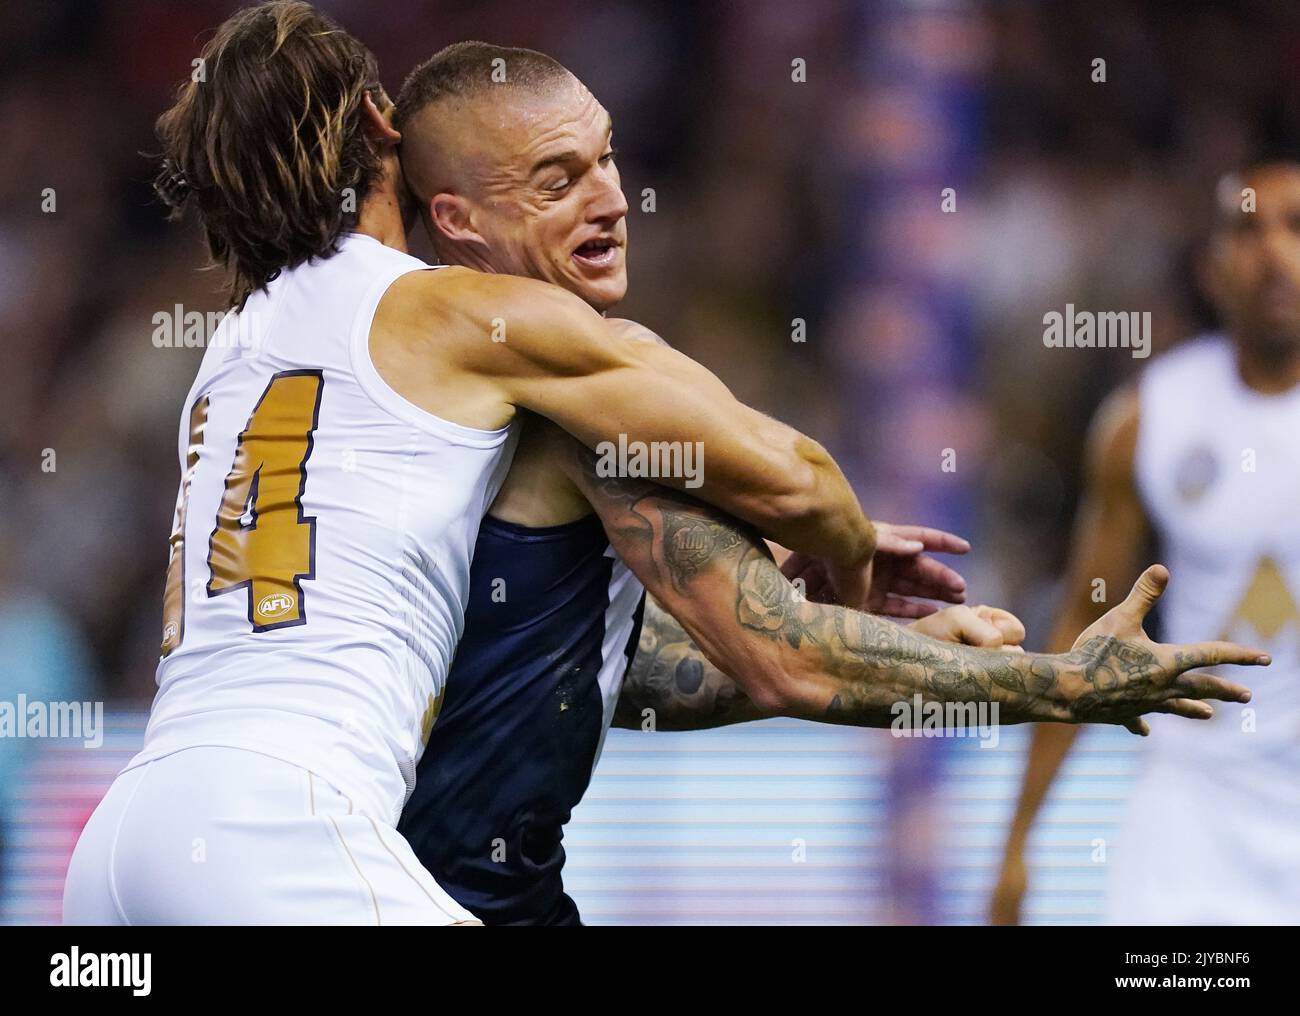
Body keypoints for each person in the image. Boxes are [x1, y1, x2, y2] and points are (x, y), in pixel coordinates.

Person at [391, 43, 1271, 924]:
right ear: (458, 219)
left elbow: (622, 672)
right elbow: (797, 537)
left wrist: (879, 641)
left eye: (608, 157)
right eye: (557, 181)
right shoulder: (583, 390)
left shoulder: (369, 372)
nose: (614, 200)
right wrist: (1065, 682)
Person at [61, 2, 890, 926]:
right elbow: (798, 479)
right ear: (382, 121)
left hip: (119, 842)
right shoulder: (453, 313)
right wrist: (850, 564)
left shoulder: (228, 357)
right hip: (274, 826)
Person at [992, 161, 1300, 926]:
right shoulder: (1150, 420)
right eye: (1247, 229)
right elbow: (1081, 630)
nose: (1273, 254)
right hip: (1191, 809)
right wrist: (1018, 841)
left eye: (1297, 227)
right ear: (1212, 267)